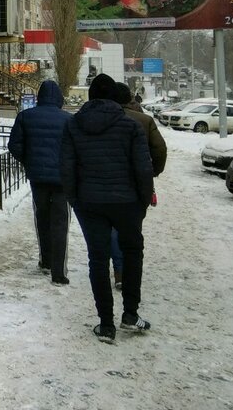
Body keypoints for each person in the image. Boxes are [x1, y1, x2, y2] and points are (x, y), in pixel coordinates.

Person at [61, 73, 155, 343]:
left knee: (98, 259)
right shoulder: (131, 127)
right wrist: (142, 203)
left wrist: (75, 199)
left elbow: (66, 167)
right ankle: (130, 314)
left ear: (90, 97)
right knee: (133, 253)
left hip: (89, 203)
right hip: (127, 203)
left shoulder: (73, 126)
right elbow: (143, 169)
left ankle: (105, 324)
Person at [8, 79, 73, 285]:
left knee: (42, 218)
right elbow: (76, 149)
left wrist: (30, 160)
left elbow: (14, 145)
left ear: (40, 97)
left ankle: (45, 260)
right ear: (60, 98)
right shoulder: (69, 120)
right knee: (61, 223)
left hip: (38, 179)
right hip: (63, 181)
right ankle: (59, 272)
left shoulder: (25, 117)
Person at [109, 82, 167, 288]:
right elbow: (159, 149)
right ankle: (131, 271)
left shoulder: (106, 119)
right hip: (138, 182)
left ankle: (120, 270)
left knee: (114, 229)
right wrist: (154, 172)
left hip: (110, 180)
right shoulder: (144, 120)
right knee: (132, 228)